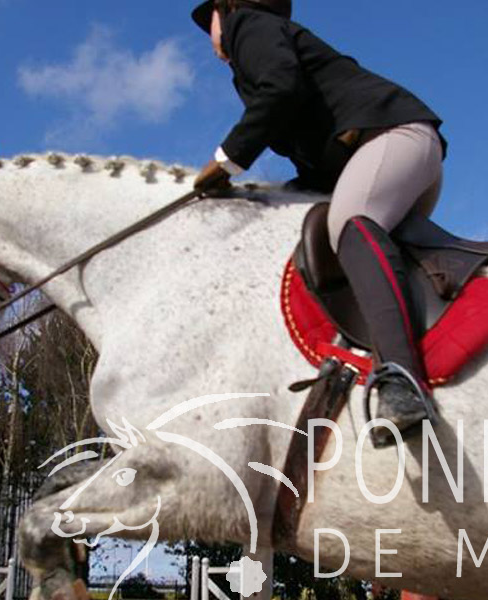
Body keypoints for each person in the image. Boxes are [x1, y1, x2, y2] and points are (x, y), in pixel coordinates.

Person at [190, 0, 448, 445]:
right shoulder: (255, 52)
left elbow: (281, 91)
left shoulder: (248, 26)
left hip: (394, 138)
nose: (208, 34)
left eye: (208, 17)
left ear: (228, 7)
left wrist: (226, 160)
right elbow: (314, 151)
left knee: (351, 221)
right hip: (383, 155)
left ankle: (402, 381)